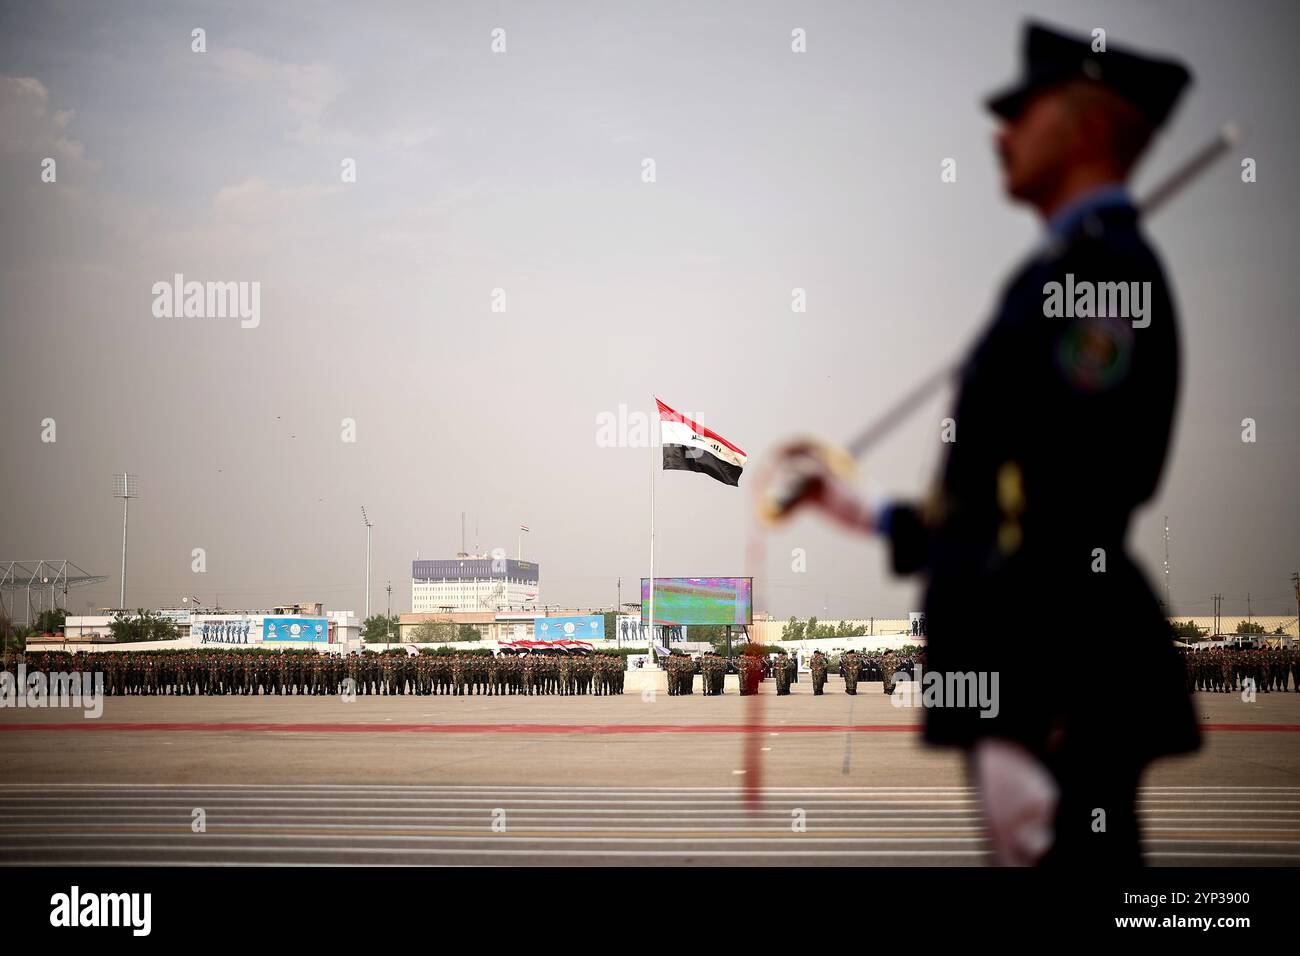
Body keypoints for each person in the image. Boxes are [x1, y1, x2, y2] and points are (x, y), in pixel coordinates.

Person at [771, 21, 1200, 866]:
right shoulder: (1065, 268)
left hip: (1051, 671)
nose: (1000, 132)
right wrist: (857, 510)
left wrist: (1026, 697)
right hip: (1031, 672)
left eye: (1024, 109)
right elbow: (996, 500)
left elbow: (1076, 493)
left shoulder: (1101, 274)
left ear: (1092, 126)